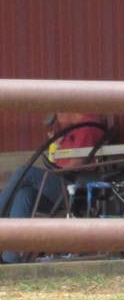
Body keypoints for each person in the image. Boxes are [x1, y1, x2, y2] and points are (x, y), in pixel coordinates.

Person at [0, 112, 107, 263]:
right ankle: (10, 258)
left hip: (73, 188)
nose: (57, 123)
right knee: (24, 194)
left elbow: (77, 164)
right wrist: (56, 149)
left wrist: (52, 170)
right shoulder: (74, 130)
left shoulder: (88, 127)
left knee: (24, 172)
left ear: (66, 111)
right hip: (62, 185)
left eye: (57, 117)